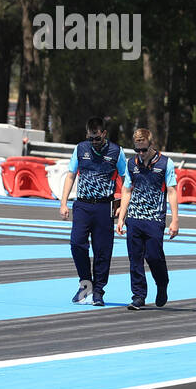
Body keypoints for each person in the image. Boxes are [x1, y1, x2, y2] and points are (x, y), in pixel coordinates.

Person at [59, 116, 127, 306]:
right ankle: (85, 283)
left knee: (103, 250)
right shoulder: (80, 149)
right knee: (76, 243)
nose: (94, 142)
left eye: (97, 138)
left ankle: (98, 290)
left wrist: (123, 205)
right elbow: (71, 175)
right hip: (82, 205)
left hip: (104, 206)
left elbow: (126, 180)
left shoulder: (116, 151)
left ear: (104, 134)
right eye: (91, 138)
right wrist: (63, 202)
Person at [115, 128, 178, 309]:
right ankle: (138, 295)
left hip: (154, 219)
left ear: (151, 145)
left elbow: (172, 191)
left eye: (144, 150)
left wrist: (175, 220)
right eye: (137, 150)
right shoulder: (131, 164)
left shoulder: (166, 163)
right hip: (134, 218)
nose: (141, 154)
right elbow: (126, 190)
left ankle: (162, 282)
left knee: (153, 256)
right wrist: (122, 217)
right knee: (135, 258)